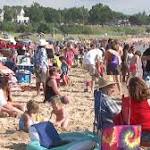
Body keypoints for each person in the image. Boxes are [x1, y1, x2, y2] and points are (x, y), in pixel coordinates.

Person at [114, 77, 150, 145]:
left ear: (130, 89)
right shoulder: (148, 101)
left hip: (133, 136)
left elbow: (122, 120)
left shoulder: (127, 102)